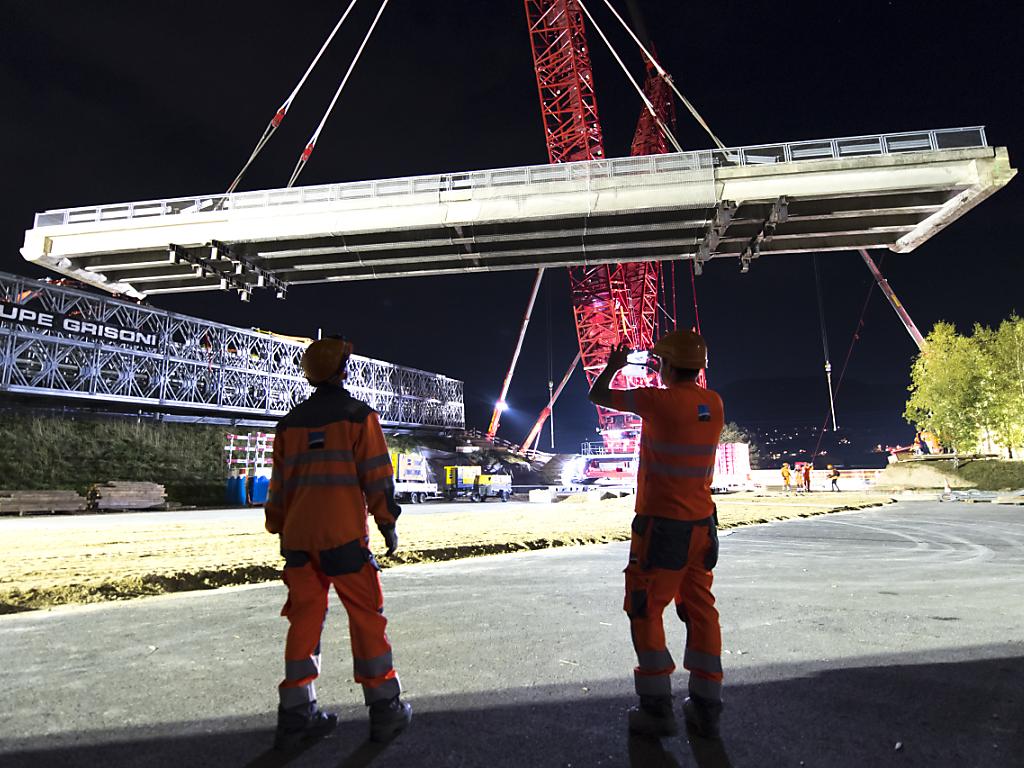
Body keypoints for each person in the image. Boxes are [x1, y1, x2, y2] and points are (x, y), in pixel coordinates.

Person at [265, 337, 412, 751]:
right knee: (366, 619)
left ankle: (296, 715)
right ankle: (385, 710)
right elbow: (377, 475)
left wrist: (278, 526)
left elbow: (278, 486)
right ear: (342, 371)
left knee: (304, 623)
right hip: (344, 539)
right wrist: (387, 523)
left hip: (298, 541)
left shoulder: (289, 424)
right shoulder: (358, 417)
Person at [589, 330, 725, 740]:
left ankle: (656, 708)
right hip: (702, 526)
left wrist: (615, 366)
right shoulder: (714, 402)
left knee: (645, 608)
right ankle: (706, 705)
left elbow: (598, 395)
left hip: (662, 527)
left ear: (665, 364)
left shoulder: (657, 401)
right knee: (701, 609)